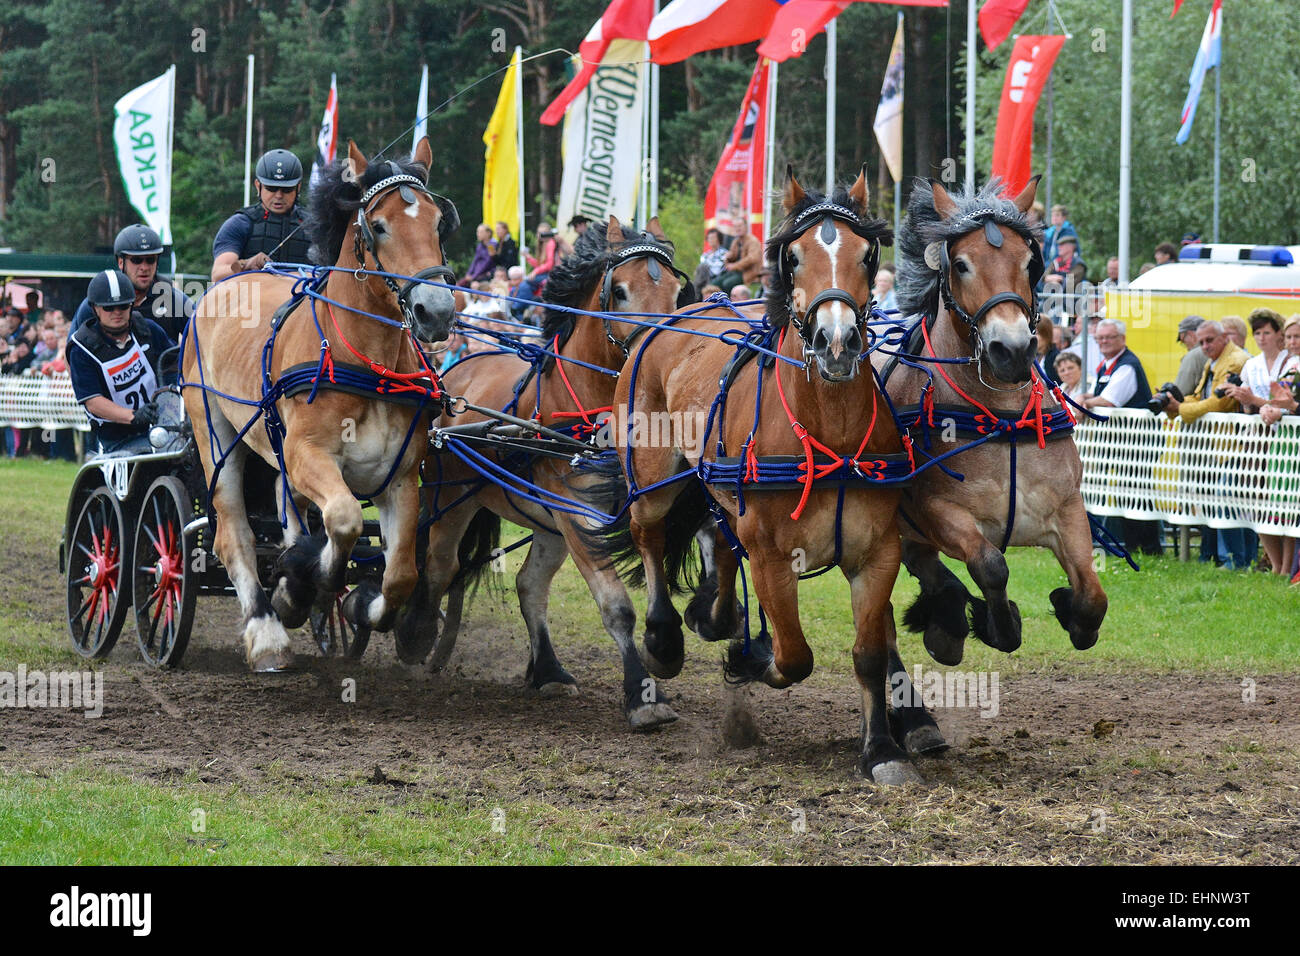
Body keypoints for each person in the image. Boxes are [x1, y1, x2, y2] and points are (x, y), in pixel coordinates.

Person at [1162, 320, 1252, 569]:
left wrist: (1180, 408)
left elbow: (1218, 403)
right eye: (1201, 342)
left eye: (1209, 340)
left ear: (1224, 337)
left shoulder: (1234, 361)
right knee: (1229, 502)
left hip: (1236, 444)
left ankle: (1234, 561)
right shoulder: (1215, 360)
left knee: (1228, 500)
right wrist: (1176, 403)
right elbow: (1202, 395)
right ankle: (1236, 559)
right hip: (1222, 445)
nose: (1204, 346)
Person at [67, 270, 175, 457]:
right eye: (109, 308)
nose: (117, 313)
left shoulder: (148, 329)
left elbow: (173, 364)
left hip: (164, 427)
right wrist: (133, 416)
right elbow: (92, 402)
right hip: (118, 440)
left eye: (123, 306)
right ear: (95, 309)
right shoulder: (81, 349)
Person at [71, 224, 194, 341]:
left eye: (150, 260)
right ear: (120, 262)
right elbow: (71, 351)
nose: (144, 267)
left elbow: (203, 336)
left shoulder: (172, 298)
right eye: (136, 260)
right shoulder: (98, 300)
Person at [211, 149, 310, 282]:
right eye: (271, 188)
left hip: (305, 299)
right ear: (258, 186)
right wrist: (245, 265)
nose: (279, 195)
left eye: (287, 189)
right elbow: (217, 274)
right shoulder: (239, 224)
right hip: (252, 300)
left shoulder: (316, 226)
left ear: (298, 187)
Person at [512, 223, 559, 321]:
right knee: (523, 284)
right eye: (539, 233)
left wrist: (535, 272)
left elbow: (549, 265)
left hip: (550, 275)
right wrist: (528, 257)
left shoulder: (550, 243)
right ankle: (520, 311)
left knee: (525, 284)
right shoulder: (544, 244)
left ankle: (518, 309)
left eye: (543, 233)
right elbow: (540, 265)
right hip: (545, 274)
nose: (540, 235)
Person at [1173, 315, 1210, 398]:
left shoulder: (1193, 355)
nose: (1186, 347)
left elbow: (1181, 392)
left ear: (1191, 335)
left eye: (1183, 341)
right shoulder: (1217, 351)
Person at [715, 228, 762, 294]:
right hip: (735, 271)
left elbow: (752, 259)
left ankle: (729, 303)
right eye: (736, 226)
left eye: (740, 226)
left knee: (727, 284)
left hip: (748, 273)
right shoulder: (736, 241)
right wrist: (729, 256)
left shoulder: (752, 241)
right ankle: (716, 302)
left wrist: (734, 266)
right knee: (715, 283)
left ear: (745, 227)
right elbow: (733, 256)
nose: (738, 229)